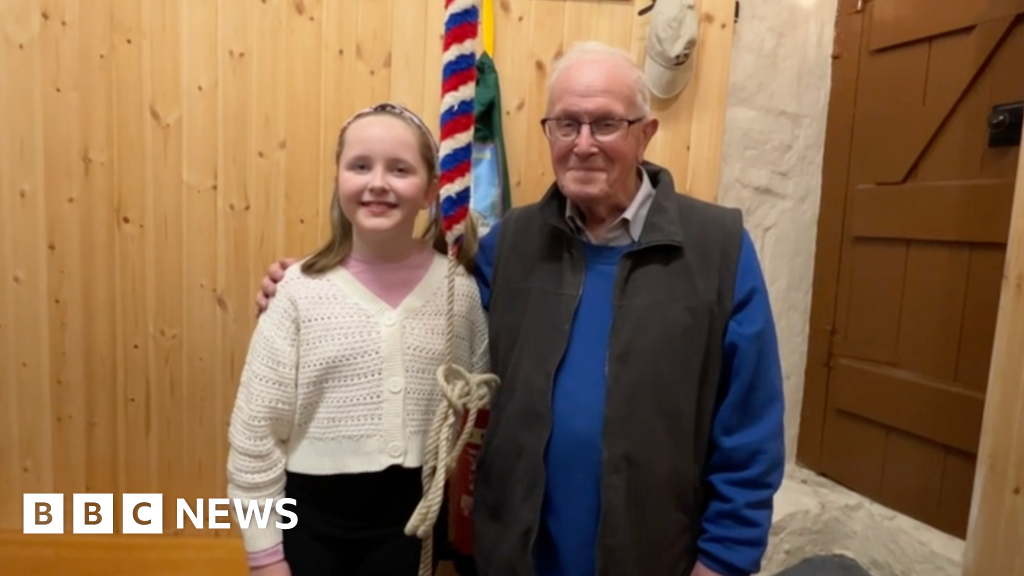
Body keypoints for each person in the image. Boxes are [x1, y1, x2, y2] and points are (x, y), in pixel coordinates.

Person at [256, 42, 785, 576]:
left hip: (655, 556)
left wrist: (722, 561)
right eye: (565, 124)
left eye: (605, 124)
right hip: (513, 557)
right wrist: (321, 283)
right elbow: (416, 318)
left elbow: (750, 430)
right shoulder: (507, 247)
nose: (582, 144)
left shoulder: (719, 249)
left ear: (644, 134)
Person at [229, 102, 489, 576]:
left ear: (431, 189)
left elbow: (475, 414)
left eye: (400, 169)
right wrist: (264, 556)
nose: (377, 182)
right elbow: (255, 437)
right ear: (338, 179)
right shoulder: (298, 293)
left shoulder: (459, 294)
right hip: (305, 522)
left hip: (410, 527)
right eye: (360, 166)